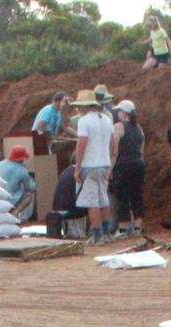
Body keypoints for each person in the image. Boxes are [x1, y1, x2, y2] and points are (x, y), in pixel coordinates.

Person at [73, 88, 116, 245]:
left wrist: (77, 168)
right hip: (104, 164)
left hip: (89, 166)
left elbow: (81, 144)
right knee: (103, 200)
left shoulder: (83, 121)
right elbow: (112, 144)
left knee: (93, 203)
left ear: (84, 106)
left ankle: (97, 236)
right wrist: (108, 158)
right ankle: (106, 233)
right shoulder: (106, 119)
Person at [111, 100, 146, 237]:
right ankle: (137, 228)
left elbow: (115, 152)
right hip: (138, 165)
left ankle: (123, 229)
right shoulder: (139, 128)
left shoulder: (118, 127)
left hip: (123, 165)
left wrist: (110, 170)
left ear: (123, 113)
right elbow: (142, 151)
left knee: (122, 197)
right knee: (137, 196)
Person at [0, 145, 36, 221]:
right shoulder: (22, 170)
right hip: (9, 199)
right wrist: (32, 180)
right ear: (22, 159)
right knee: (29, 195)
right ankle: (16, 213)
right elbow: (31, 188)